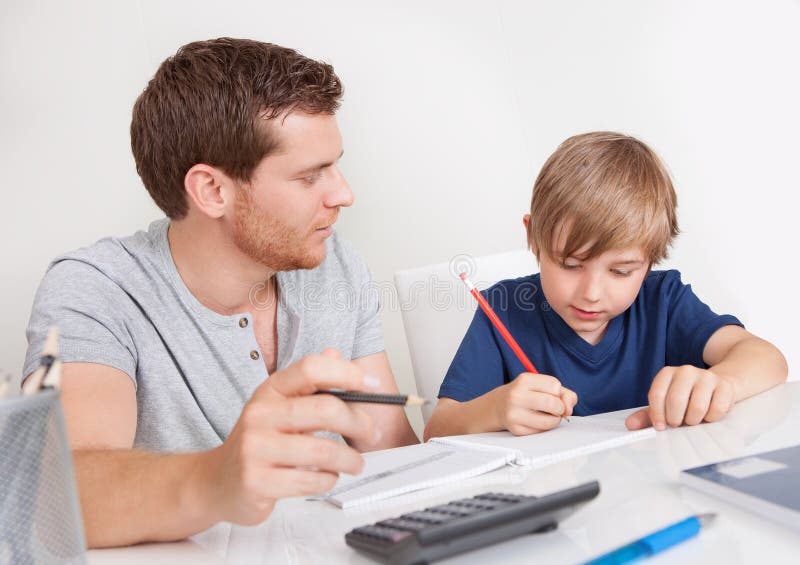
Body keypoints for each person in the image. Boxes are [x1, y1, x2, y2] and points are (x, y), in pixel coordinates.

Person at [23, 37, 418, 548]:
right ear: (212, 191)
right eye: (309, 176)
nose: (343, 194)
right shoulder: (94, 290)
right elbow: (60, 495)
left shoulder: (333, 263)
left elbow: (393, 451)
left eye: (335, 165)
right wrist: (217, 479)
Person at [424, 131, 787, 440]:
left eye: (621, 272)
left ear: (650, 261)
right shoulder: (502, 308)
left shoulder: (663, 300)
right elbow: (436, 430)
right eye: (571, 264)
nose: (592, 293)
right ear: (533, 237)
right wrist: (494, 411)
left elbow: (768, 359)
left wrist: (721, 383)